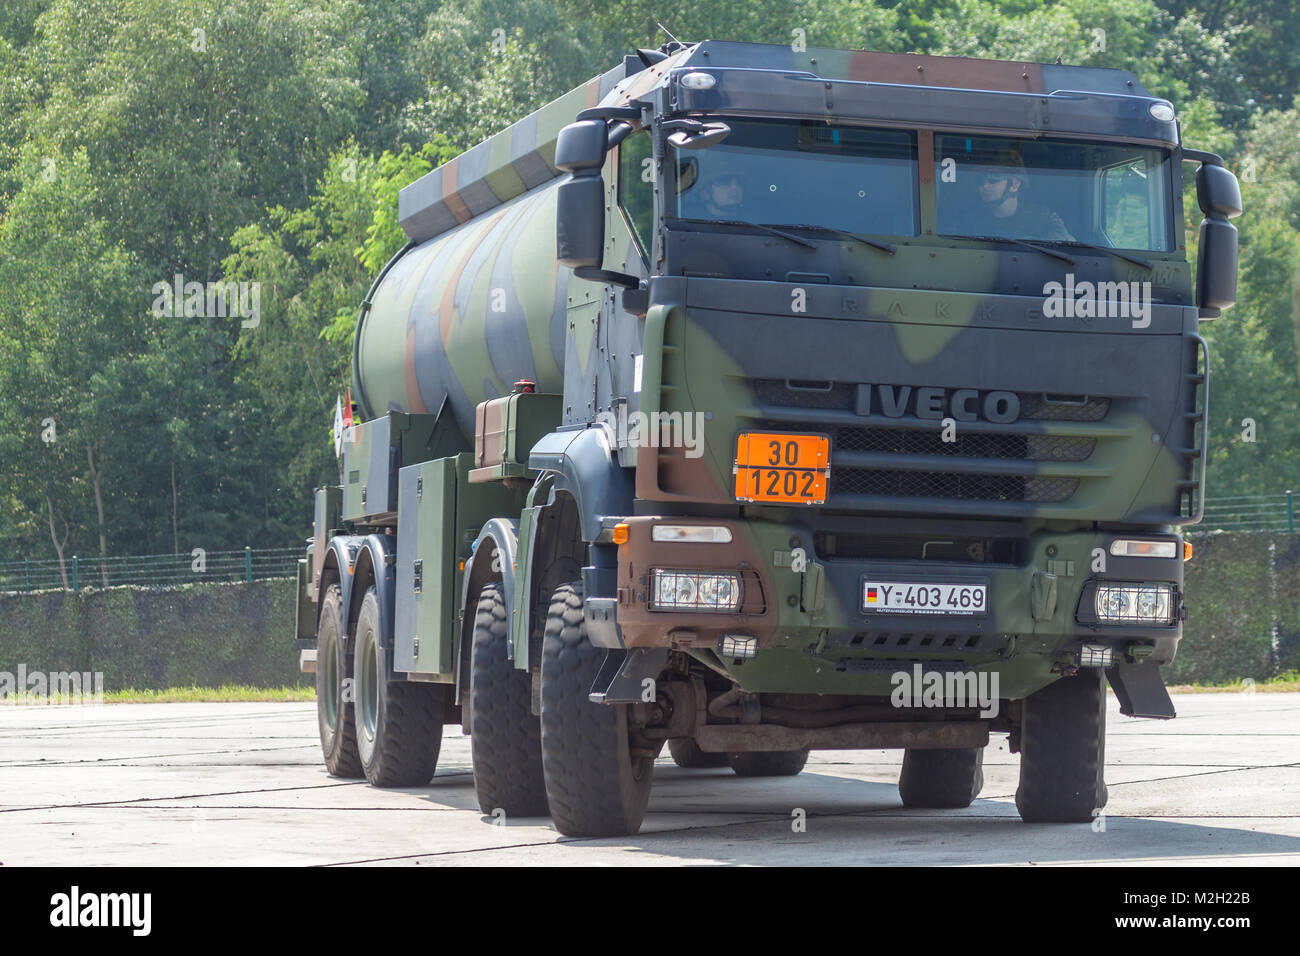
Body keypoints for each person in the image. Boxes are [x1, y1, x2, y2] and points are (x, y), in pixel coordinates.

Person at [974, 150, 1073, 241]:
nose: (984, 186)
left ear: (1015, 184)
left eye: (993, 179)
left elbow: (1067, 247)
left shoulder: (1043, 220)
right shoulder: (972, 220)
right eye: (980, 181)